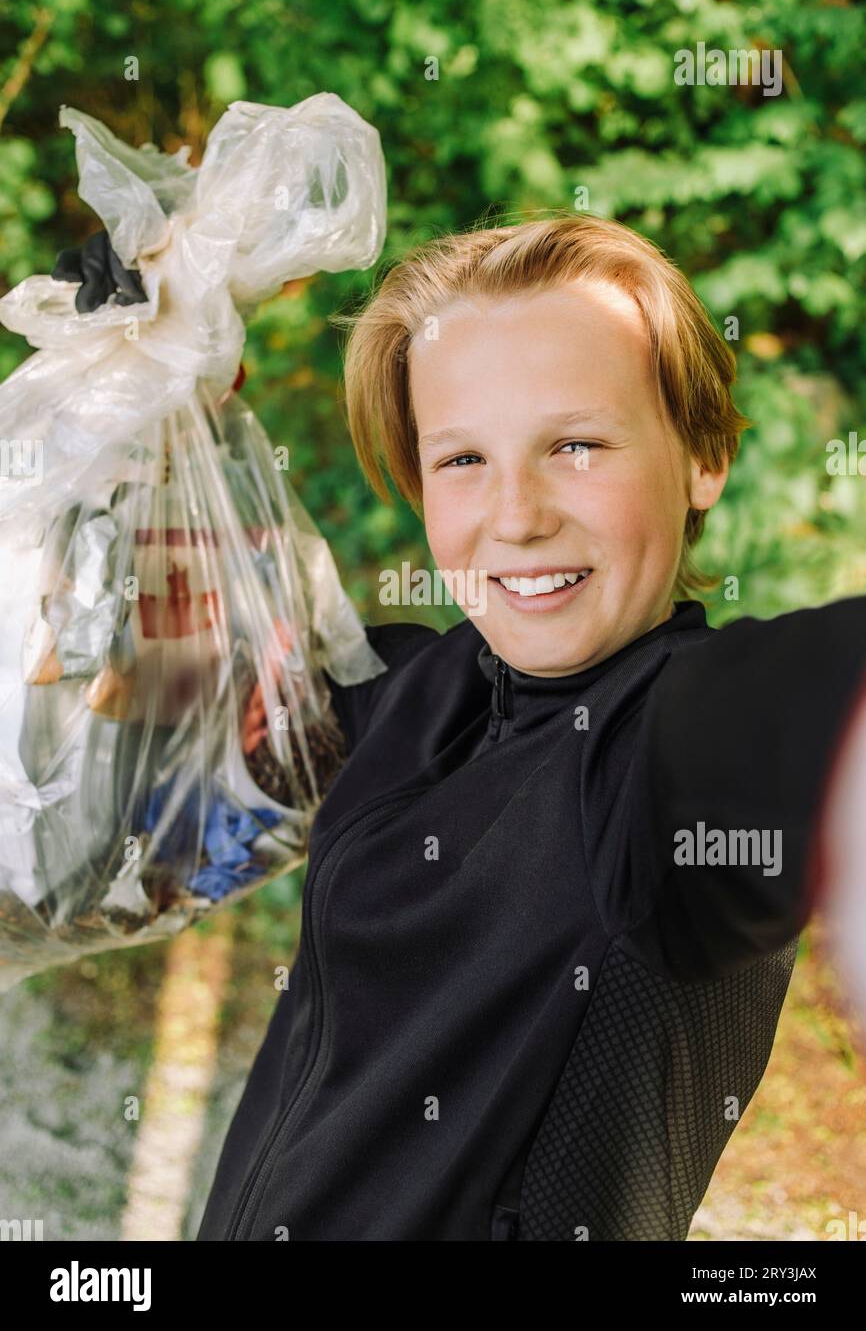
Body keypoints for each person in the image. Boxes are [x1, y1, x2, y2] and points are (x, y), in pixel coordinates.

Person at [57, 213, 866, 1241]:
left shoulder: (668, 749)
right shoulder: (411, 690)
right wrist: (131, 395)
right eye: (462, 459)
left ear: (701, 454)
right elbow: (149, 681)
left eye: (574, 445)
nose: (515, 515)